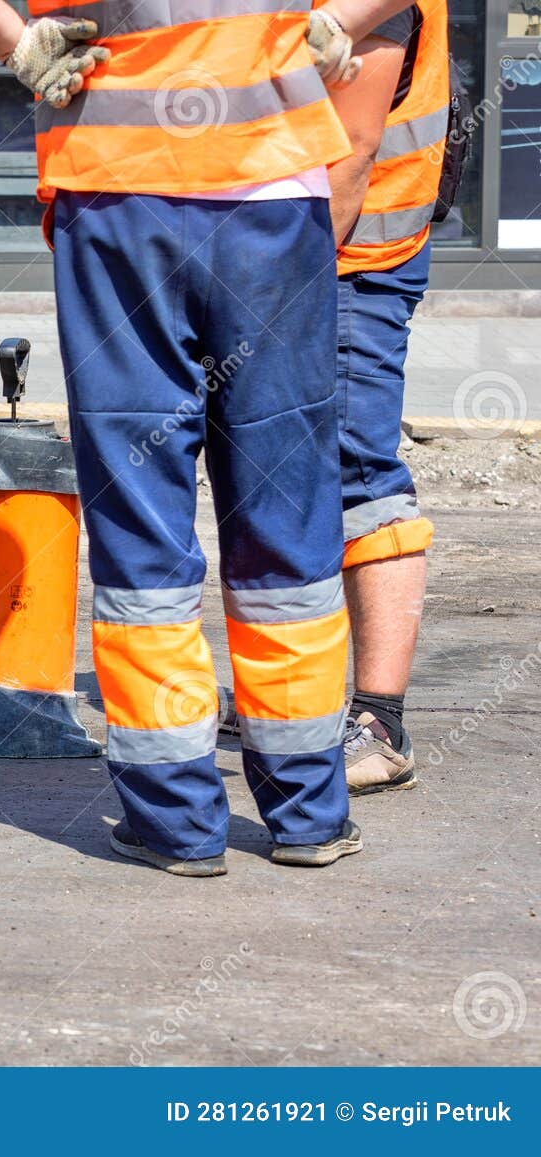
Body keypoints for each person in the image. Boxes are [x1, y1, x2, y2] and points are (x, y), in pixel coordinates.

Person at [0, 0, 417, 874]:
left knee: (141, 507)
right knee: (286, 497)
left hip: (117, 193)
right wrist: (348, 16)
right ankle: (305, 810)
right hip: (270, 188)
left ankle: (176, 820)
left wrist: (15, 40)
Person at [324, 1, 449, 793]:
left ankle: (379, 721)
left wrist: (281, 281)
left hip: (353, 251)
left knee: (357, 469)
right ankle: (292, 688)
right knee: (274, 468)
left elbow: (355, 146)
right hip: (322, 244)